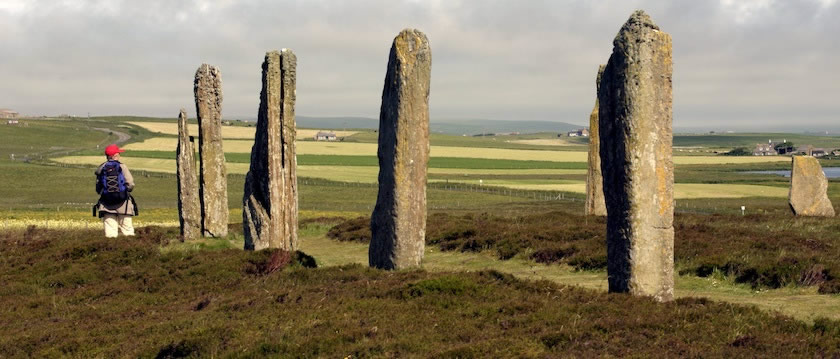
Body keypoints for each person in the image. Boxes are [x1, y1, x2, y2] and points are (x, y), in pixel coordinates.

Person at [94, 144, 137, 238]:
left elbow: (98, 188)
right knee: (127, 230)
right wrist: (125, 191)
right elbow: (130, 183)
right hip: (123, 203)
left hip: (106, 204)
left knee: (110, 232)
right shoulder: (122, 166)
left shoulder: (101, 168)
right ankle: (130, 246)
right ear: (115, 156)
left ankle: (112, 246)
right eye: (118, 153)